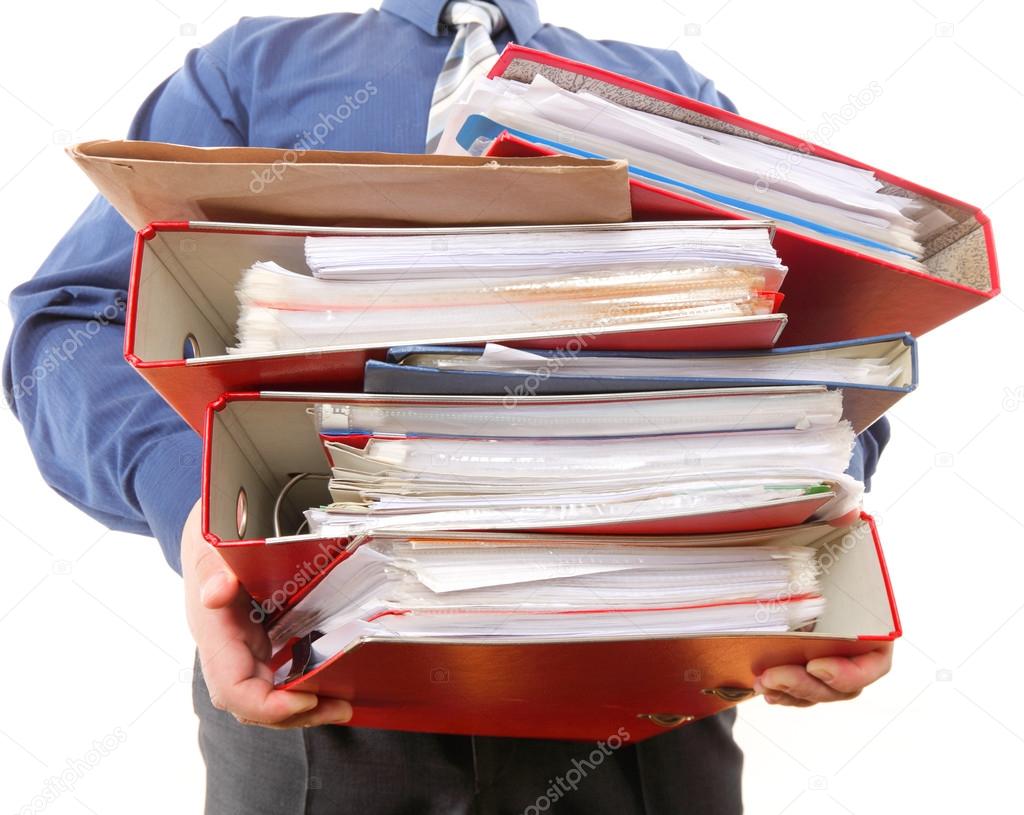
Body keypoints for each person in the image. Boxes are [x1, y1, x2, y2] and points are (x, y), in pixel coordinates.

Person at [3, 1, 893, 813]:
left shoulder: (670, 94)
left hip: (641, 679)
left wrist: (809, 542)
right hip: (319, 691)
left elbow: (818, 344)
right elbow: (68, 330)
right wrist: (199, 514)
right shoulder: (247, 71)